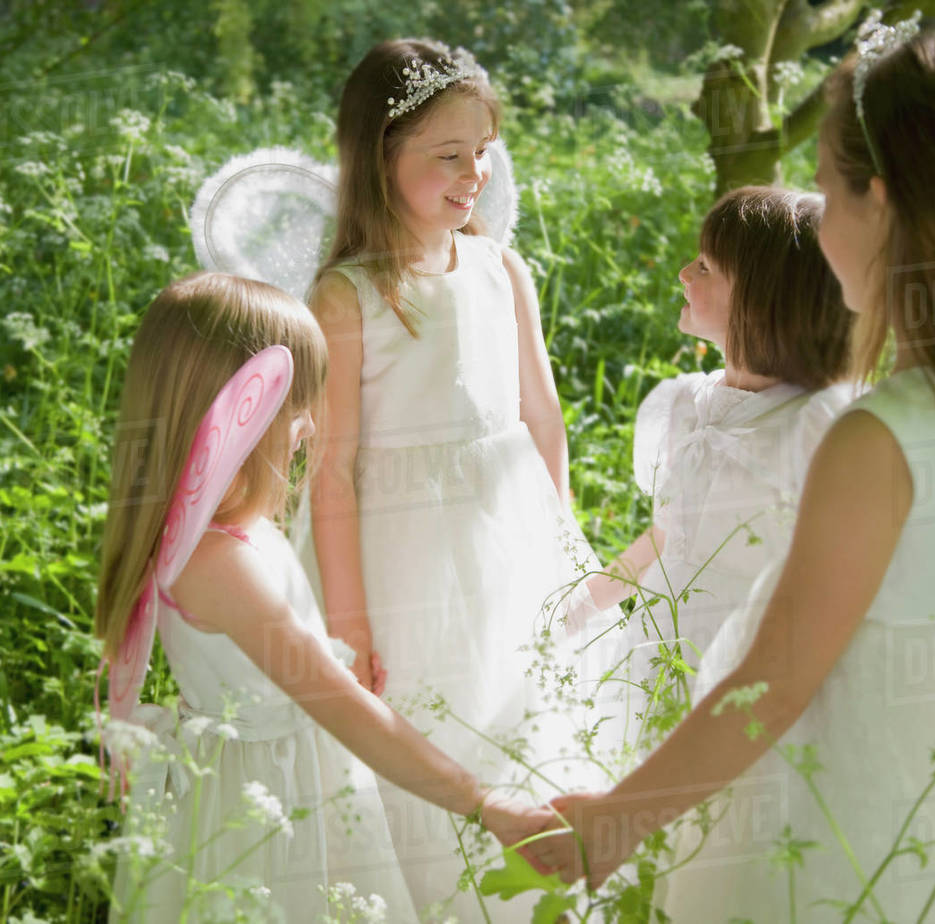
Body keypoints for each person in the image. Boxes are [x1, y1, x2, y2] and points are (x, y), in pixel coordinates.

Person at [533, 24, 935, 923]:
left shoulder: (874, 437)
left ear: (878, 205)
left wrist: (608, 828)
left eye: (829, 190)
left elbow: (778, 678)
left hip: (842, 815)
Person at [94, 272, 552, 923]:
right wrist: (485, 804)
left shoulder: (223, 533)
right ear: (236, 411)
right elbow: (346, 713)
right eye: (294, 405)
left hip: (299, 776)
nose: (308, 427)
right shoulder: (218, 563)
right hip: (271, 807)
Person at [303, 38, 601, 919]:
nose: (473, 174)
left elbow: (541, 418)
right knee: (427, 716)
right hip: (399, 557)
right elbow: (335, 464)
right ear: (379, 156)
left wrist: (563, 545)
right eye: (447, 156)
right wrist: (349, 618)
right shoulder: (349, 294)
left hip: (507, 542)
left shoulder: (501, 268)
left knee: (519, 707)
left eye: (482, 152)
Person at [565, 186, 855, 771]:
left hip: (749, 665)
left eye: (704, 266)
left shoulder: (815, 425)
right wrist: (588, 601)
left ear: (758, 300)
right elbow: (670, 537)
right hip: (661, 646)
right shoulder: (682, 406)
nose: (682, 273)